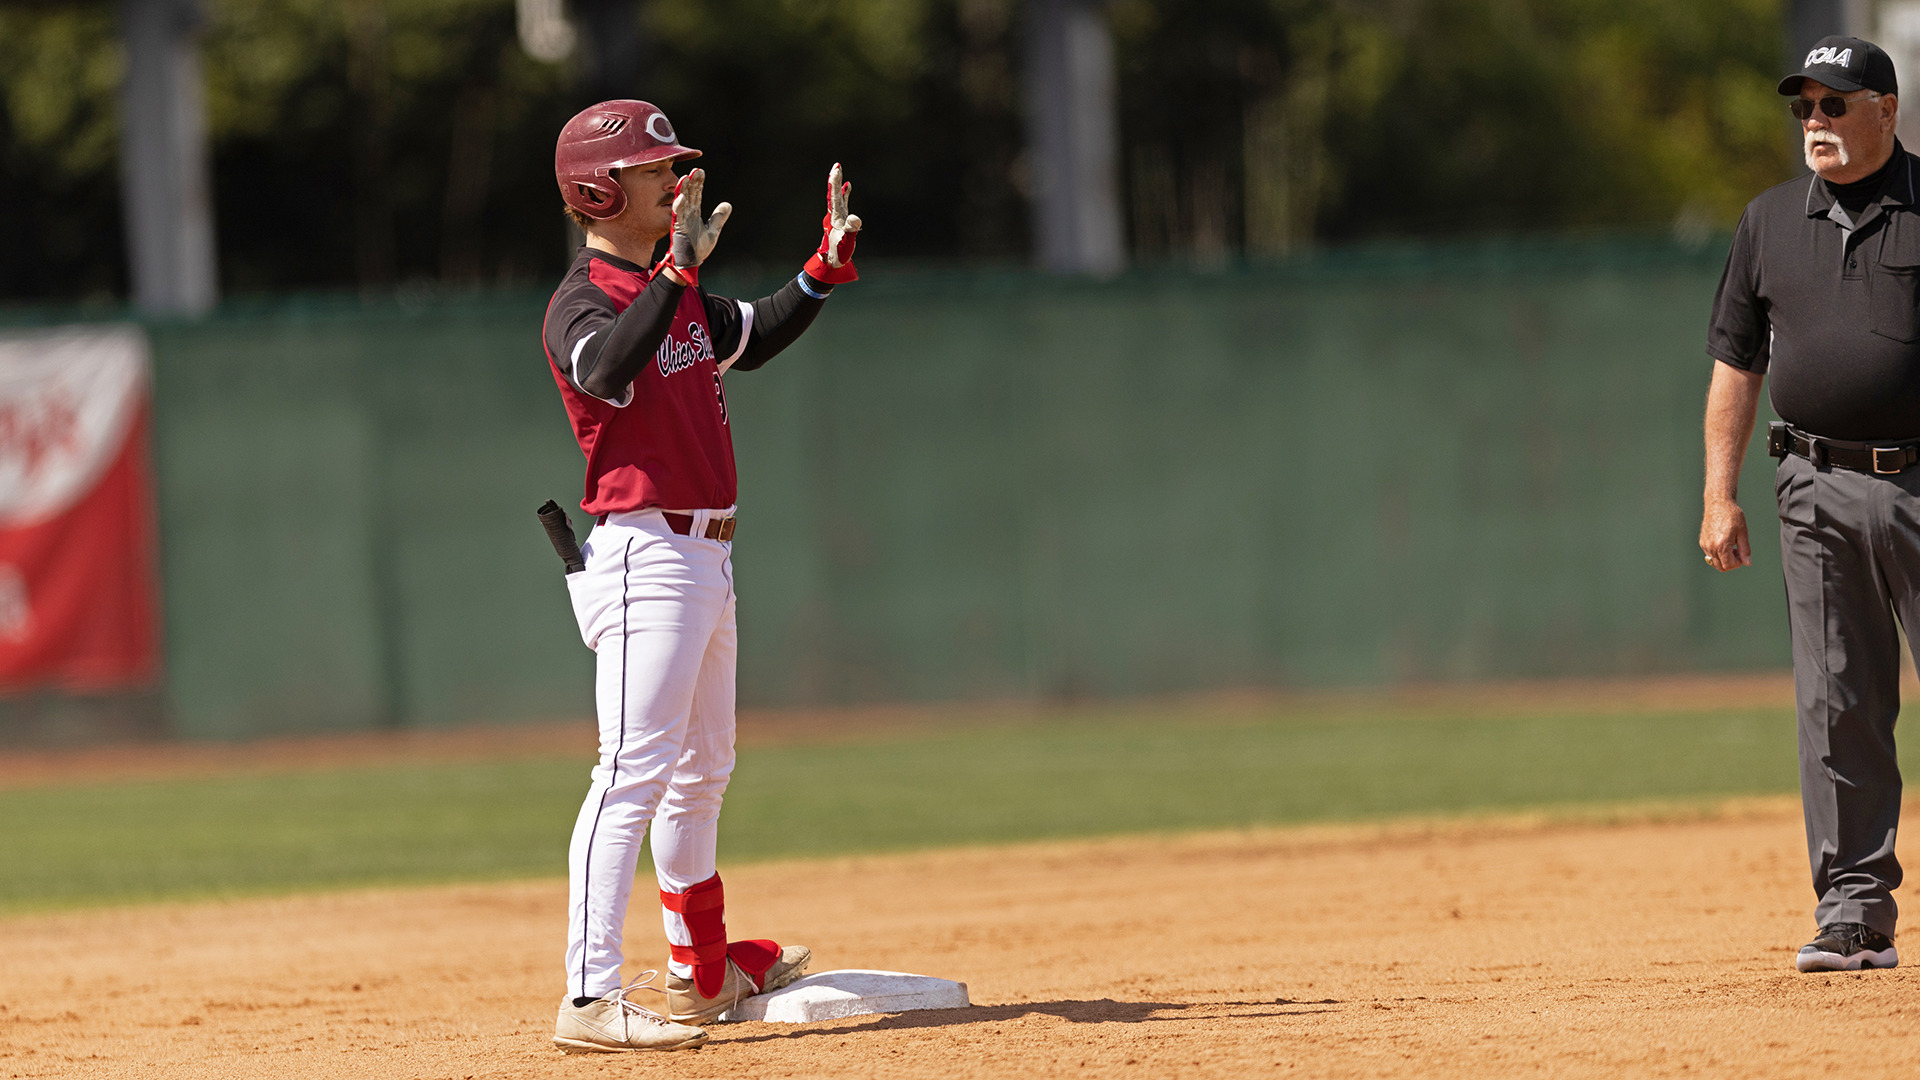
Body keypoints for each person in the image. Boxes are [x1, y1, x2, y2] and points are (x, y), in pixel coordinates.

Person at [540, 99, 862, 1051]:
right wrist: (675, 270)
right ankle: (591, 999)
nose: (675, 180)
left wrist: (819, 273)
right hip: (644, 552)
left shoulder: (670, 291)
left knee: (702, 773)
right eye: (653, 169)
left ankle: (701, 972)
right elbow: (603, 372)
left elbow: (753, 334)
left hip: (706, 553)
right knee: (629, 774)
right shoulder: (581, 300)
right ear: (599, 189)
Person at [1703, 36, 1919, 973]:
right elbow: (1734, 364)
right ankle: (1855, 911)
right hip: (1812, 486)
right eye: (1805, 109)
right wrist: (1721, 493)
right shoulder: (1767, 221)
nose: (1816, 124)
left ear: (1888, 109)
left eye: (1835, 104)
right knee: (1835, 702)